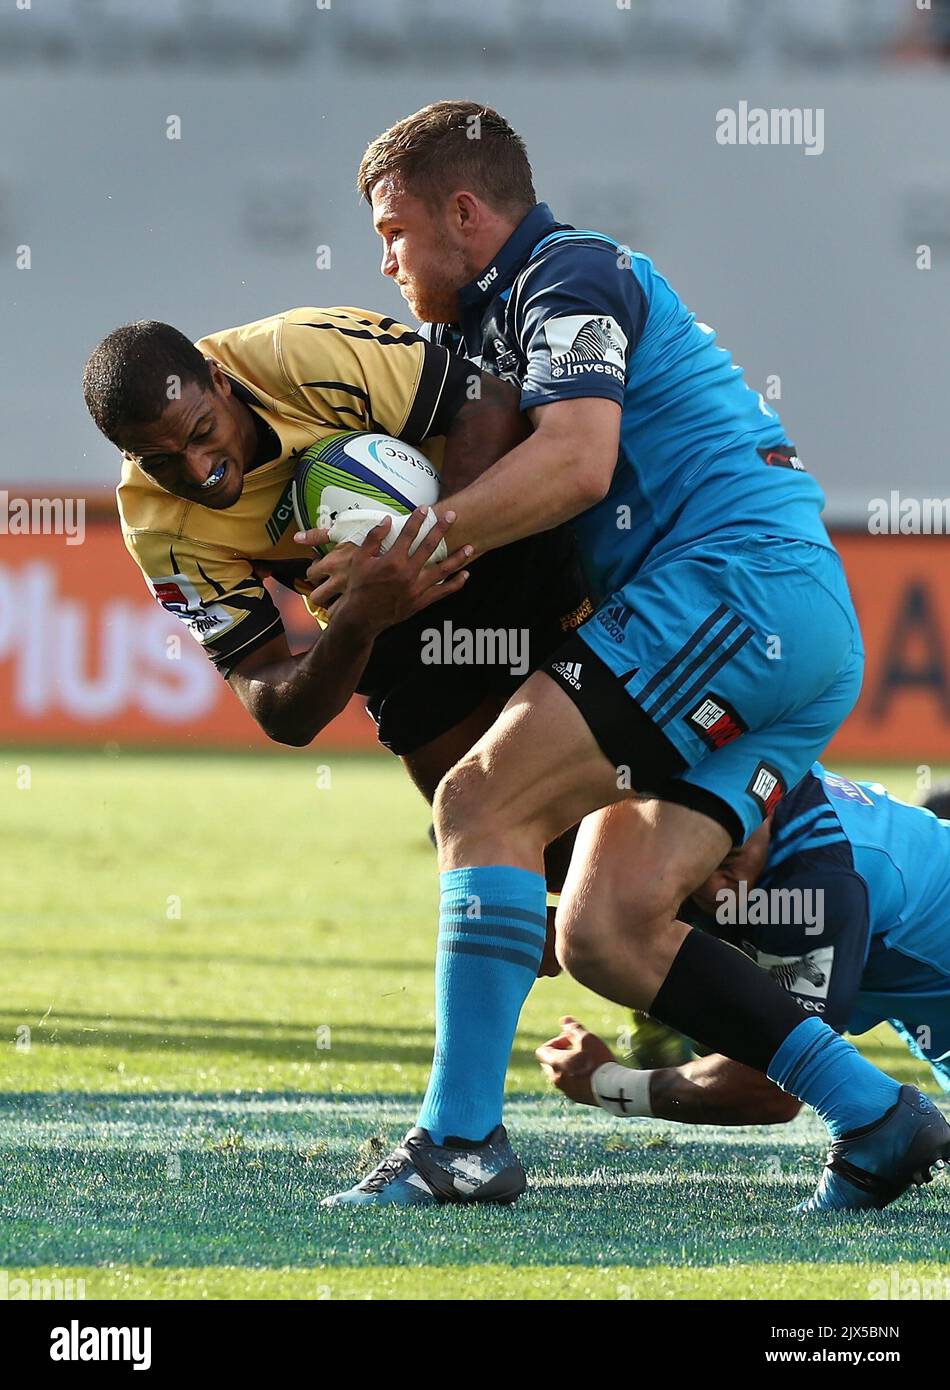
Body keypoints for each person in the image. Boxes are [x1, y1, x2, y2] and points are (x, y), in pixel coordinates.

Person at [318, 101, 949, 1211]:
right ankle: (876, 1116)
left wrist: (407, 559)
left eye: (392, 228)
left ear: (465, 214)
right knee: (603, 927)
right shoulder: (501, 323)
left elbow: (574, 463)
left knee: (478, 801)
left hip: (730, 590)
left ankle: (459, 1141)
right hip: (771, 619)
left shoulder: (562, 273)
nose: (382, 258)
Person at [82, 306, 591, 970]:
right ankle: (643, 939)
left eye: (202, 432)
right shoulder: (160, 531)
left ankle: (701, 945)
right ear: (130, 457)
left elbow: (486, 402)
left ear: (220, 381)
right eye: (163, 461)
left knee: (638, 789)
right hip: (388, 629)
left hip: (497, 543)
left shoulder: (301, 354)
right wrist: (357, 620)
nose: (200, 467)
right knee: (521, 848)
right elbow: (277, 707)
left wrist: (421, 546)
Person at [537, 766, 950, 1186]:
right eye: (702, 865)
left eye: (731, 860)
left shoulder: (816, 881)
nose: (719, 891)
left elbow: (771, 1090)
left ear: (767, 809)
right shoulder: (750, 803)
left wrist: (609, 1085)